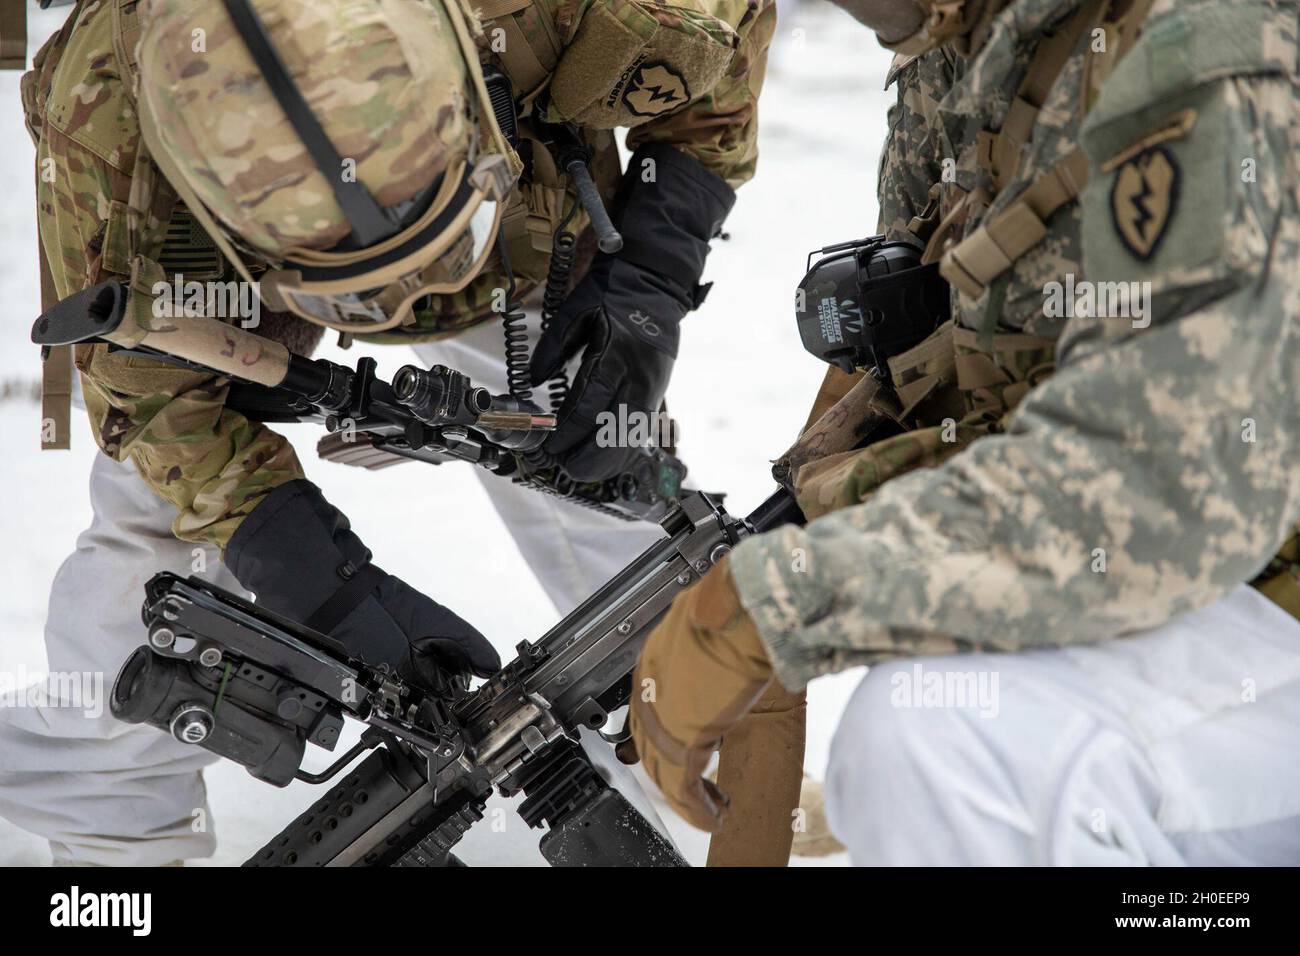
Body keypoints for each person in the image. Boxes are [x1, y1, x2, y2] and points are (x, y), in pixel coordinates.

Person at [1, 0, 774, 866]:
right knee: (159, 546)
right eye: (364, 293)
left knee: (616, 485)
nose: (402, 314)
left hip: (519, 232)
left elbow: (721, 48)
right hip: (234, 294)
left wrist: (652, 275)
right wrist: (304, 566)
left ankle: (707, 770)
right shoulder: (108, 121)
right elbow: (154, 403)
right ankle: (106, 824)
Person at [628, 0, 1300, 864]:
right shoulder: (965, 50)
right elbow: (926, 355)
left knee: (938, 741)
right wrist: (791, 530)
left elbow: (1159, 489)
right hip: (1218, 592)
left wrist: (775, 607)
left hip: (1242, 575)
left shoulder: (1197, 49)